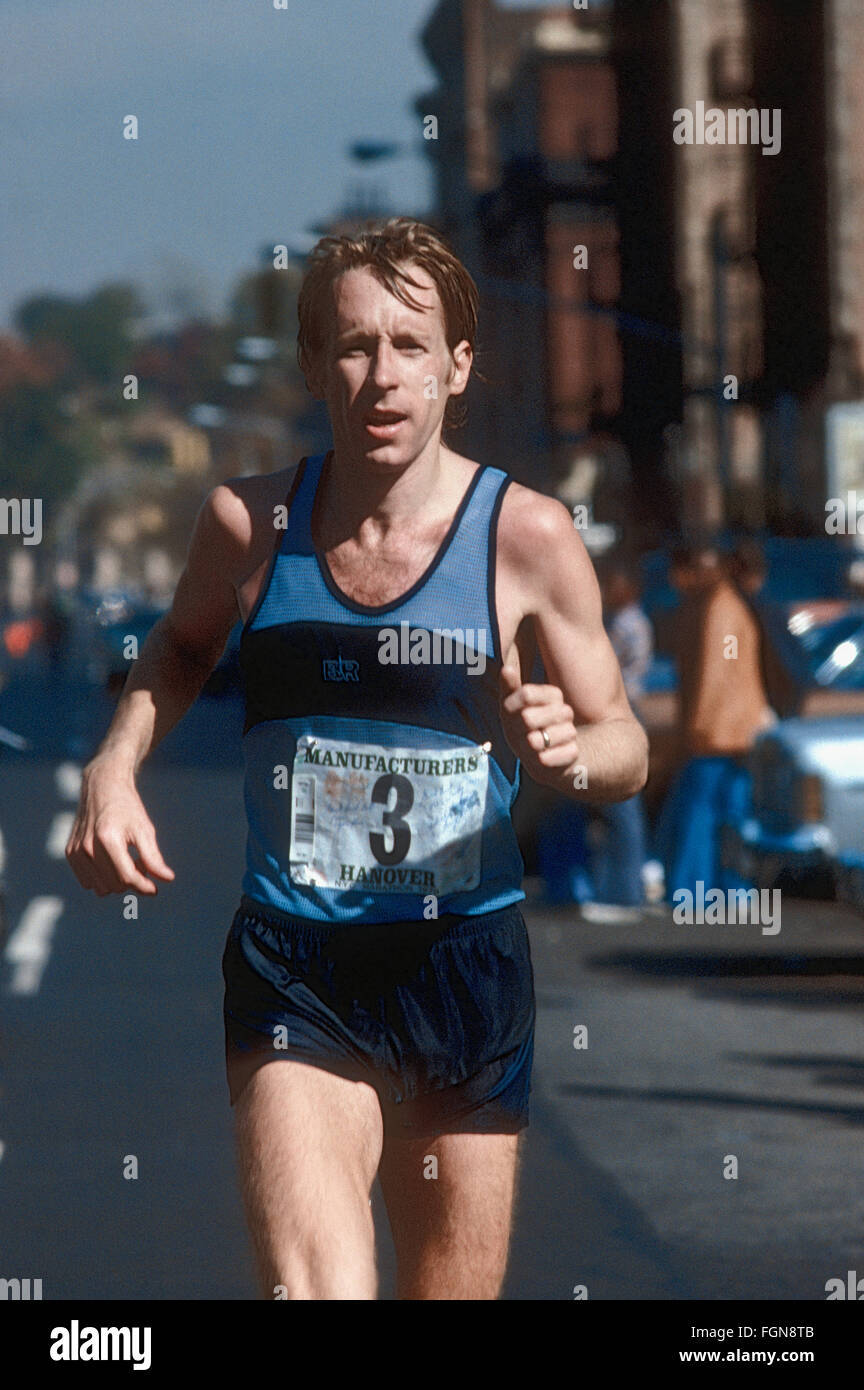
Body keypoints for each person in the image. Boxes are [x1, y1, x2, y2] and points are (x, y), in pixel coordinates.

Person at [65, 217, 647, 1301]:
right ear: (313, 364)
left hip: (464, 969)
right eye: (353, 345)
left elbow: (627, 745)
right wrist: (113, 767)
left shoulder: (524, 536)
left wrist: (574, 753)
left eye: (410, 345)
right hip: (299, 967)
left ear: (456, 367)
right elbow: (180, 649)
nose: (382, 376)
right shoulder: (248, 524)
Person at [656, 539, 774, 897]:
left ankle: (695, 889)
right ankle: (720, 888)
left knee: (704, 811)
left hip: (718, 732)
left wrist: (697, 727)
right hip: (728, 731)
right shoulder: (723, 605)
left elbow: (716, 673)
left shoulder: (717, 606)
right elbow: (719, 672)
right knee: (725, 811)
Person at [591, 562, 654, 906]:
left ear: (630, 587)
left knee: (622, 806)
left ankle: (626, 893)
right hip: (622, 709)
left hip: (622, 710)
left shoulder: (627, 624)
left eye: (613, 583)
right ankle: (618, 889)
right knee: (616, 807)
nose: (606, 590)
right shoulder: (622, 620)